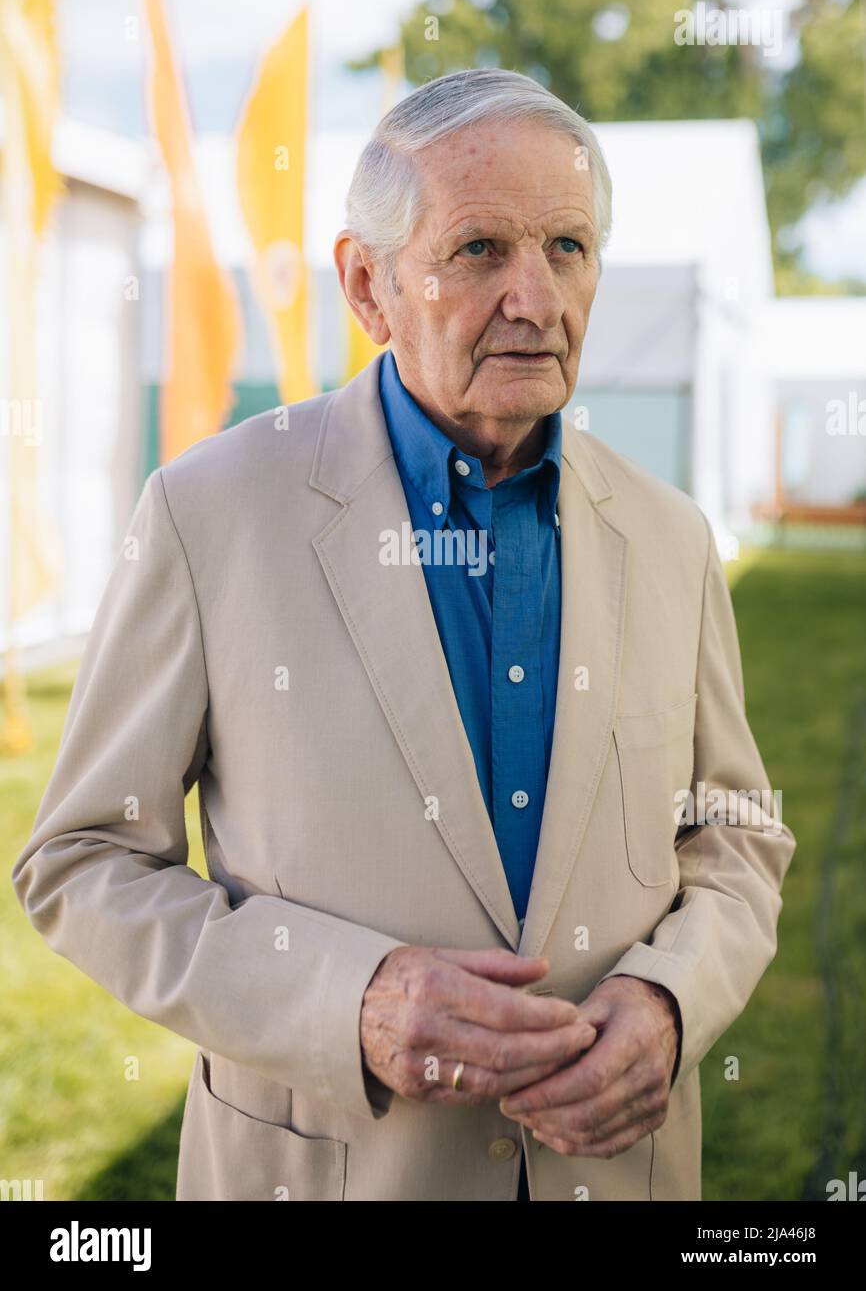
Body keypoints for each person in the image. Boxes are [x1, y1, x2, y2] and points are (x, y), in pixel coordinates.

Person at [12, 68, 795, 1201]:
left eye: (566, 248)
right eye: (479, 249)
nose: (534, 297)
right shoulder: (210, 511)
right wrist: (348, 1001)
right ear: (367, 286)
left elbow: (732, 832)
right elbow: (82, 860)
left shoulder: (669, 535)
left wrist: (672, 1001)